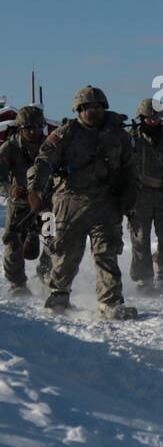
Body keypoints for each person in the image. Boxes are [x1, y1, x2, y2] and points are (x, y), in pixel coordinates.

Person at [27, 87, 138, 318]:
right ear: (79, 110)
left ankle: (110, 302)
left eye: (97, 107)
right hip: (71, 202)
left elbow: (130, 167)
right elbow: (44, 160)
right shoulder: (66, 133)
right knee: (67, 253)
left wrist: (130, 196)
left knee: (106, 253)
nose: (93, 112)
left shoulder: (118, 134)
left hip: (106, 203)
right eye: (87, 108)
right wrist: (36, 190)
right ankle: (59, 294)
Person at [127, 99, 163, 294]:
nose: (153, 121)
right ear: (141, 118)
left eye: (156, 117)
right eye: (149, 118)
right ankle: (145, 280)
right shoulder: (131, 138)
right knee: (140, 239)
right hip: (139, 194)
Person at [0, 106, 53, 295]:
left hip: (45, 204)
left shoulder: (50, 147)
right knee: (12, 242)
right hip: (19, 204)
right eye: (29, 128)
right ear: (21, 128)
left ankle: (46, 276)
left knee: (53, 240)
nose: (33, 131)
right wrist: (10, 189)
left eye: (37, 127)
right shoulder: (9, 148)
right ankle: (18, 284)